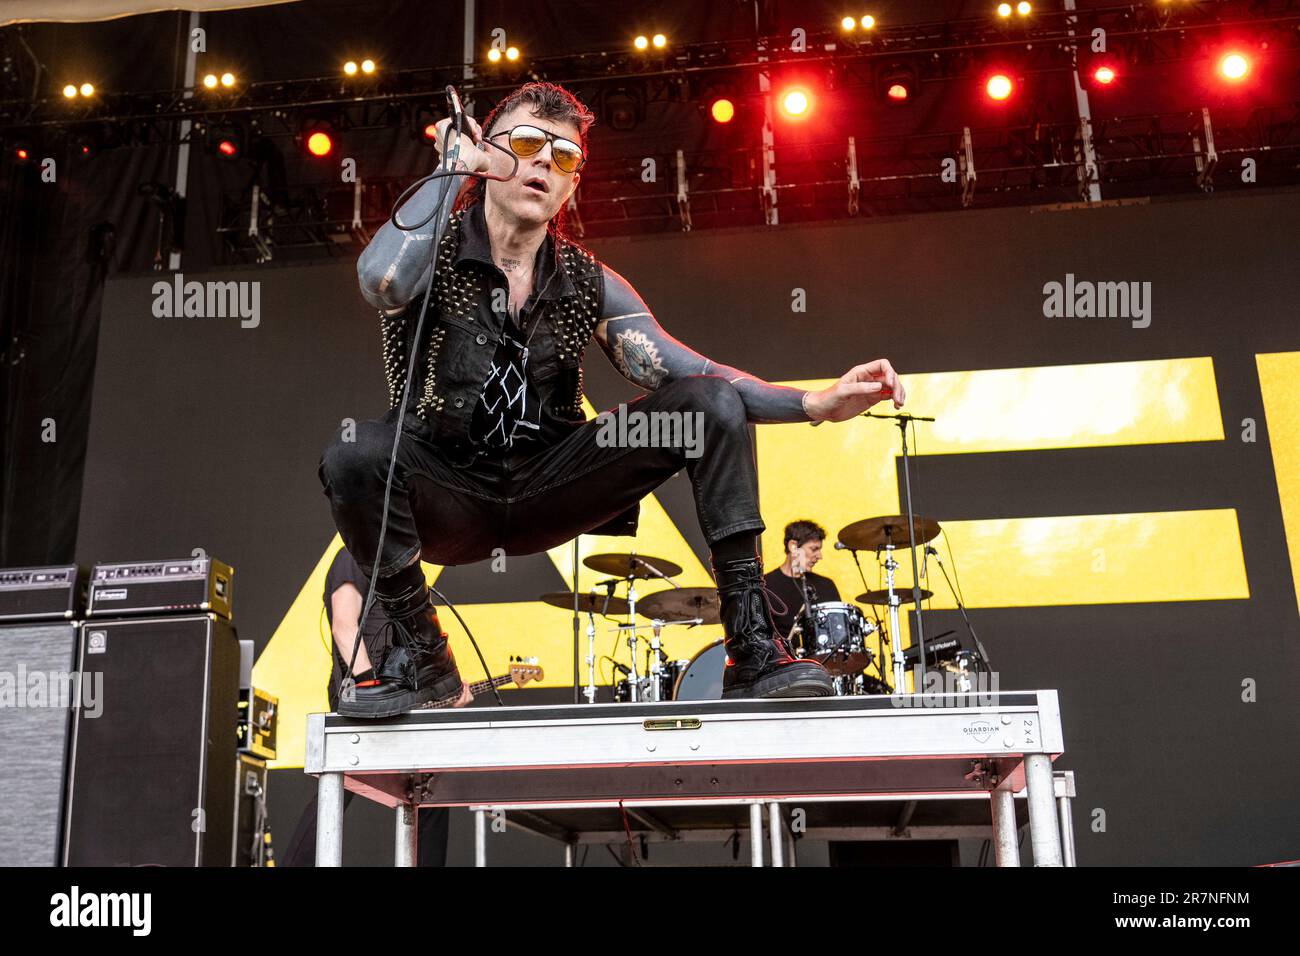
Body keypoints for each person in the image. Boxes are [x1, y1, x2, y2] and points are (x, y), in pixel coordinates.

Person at [318, 80, 906, 714]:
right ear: (486, 154)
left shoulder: (587, 281)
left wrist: (813, 404)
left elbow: (691, 373)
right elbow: (382, 281)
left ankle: (754, 649)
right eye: (525, 143)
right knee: (356, 453)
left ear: (573, 184)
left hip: (552, 482)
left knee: (707, 404)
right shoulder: (430, 249)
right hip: (448, 492)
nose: (545, 160)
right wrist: (450, 169)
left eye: (564, 156)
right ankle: (424, 656)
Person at [279, 547, 470, 865]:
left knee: (430, 790)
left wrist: (443, 696)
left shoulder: (405, 574)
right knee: (339, 788)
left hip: (395, 699)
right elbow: (343, 625)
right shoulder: (354, 555)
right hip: (363, 697)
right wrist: (370, 686)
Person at [763, 520, 842, 643]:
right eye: (814, 549)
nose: (819, 556)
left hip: (822, 660)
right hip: (784, 660)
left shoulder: (827, 586)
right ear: (793, 546)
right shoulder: (765, 586)